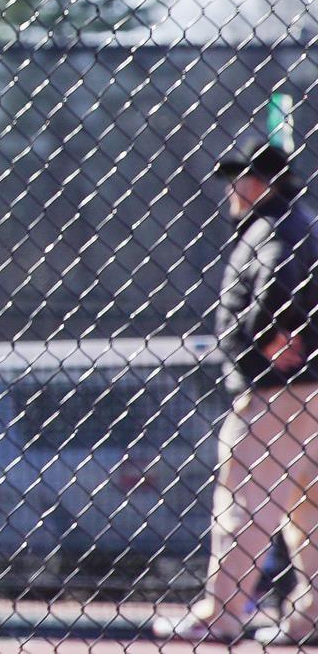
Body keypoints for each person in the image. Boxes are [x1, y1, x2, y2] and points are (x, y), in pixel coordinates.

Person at [158, 138, 318, 644]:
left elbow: (278, 281)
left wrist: (272, 331)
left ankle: (221, 614)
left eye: (237, 179)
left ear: (257, 183)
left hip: (278, 392)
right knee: (308, 507)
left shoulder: (273, 227)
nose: (231, 190)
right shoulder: (303, 220)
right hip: (308, 387)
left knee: (244, 499)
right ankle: (309, 616)